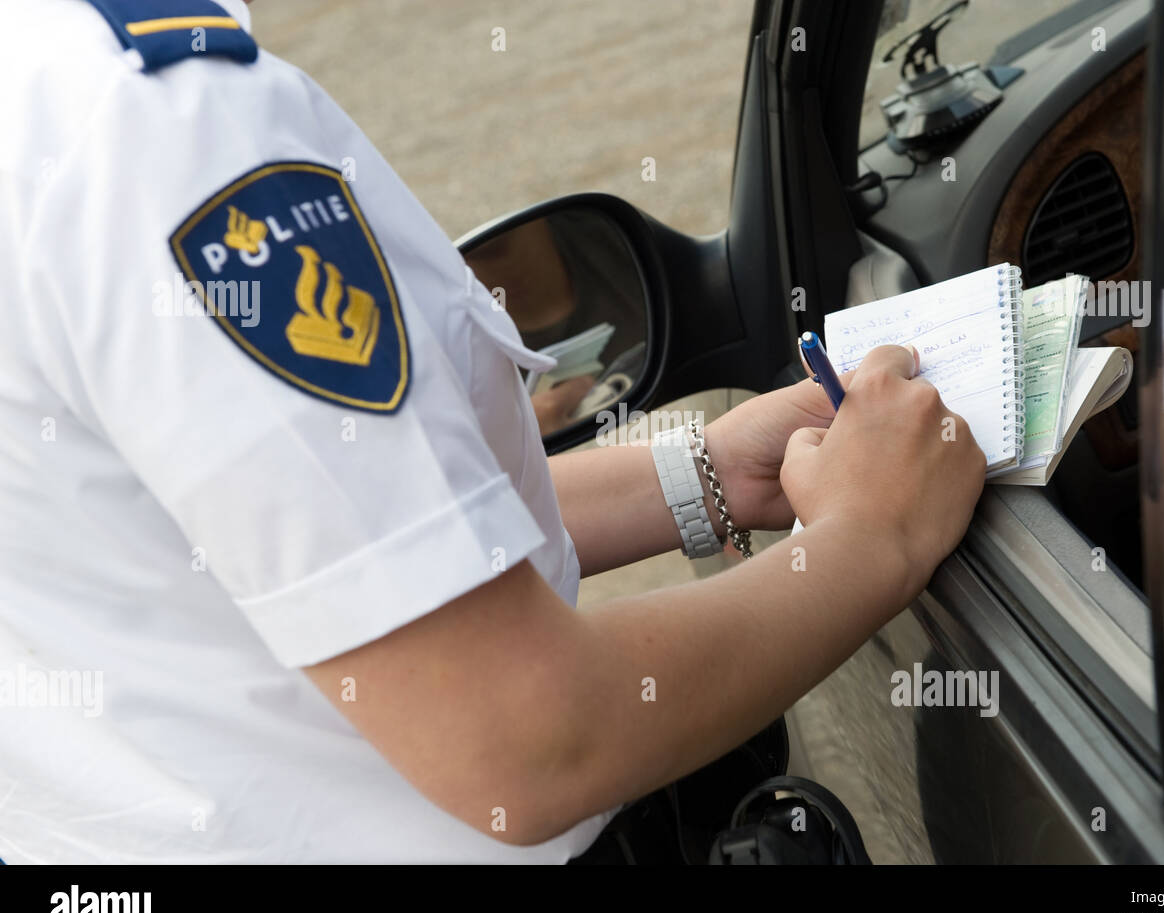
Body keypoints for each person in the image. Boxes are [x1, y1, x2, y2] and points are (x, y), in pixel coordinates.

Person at [0, 0, 985, 863]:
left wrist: (706, 471)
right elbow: (524, 736)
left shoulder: (52, 95)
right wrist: (872, 538)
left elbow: (315, 546)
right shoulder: (162, 122)